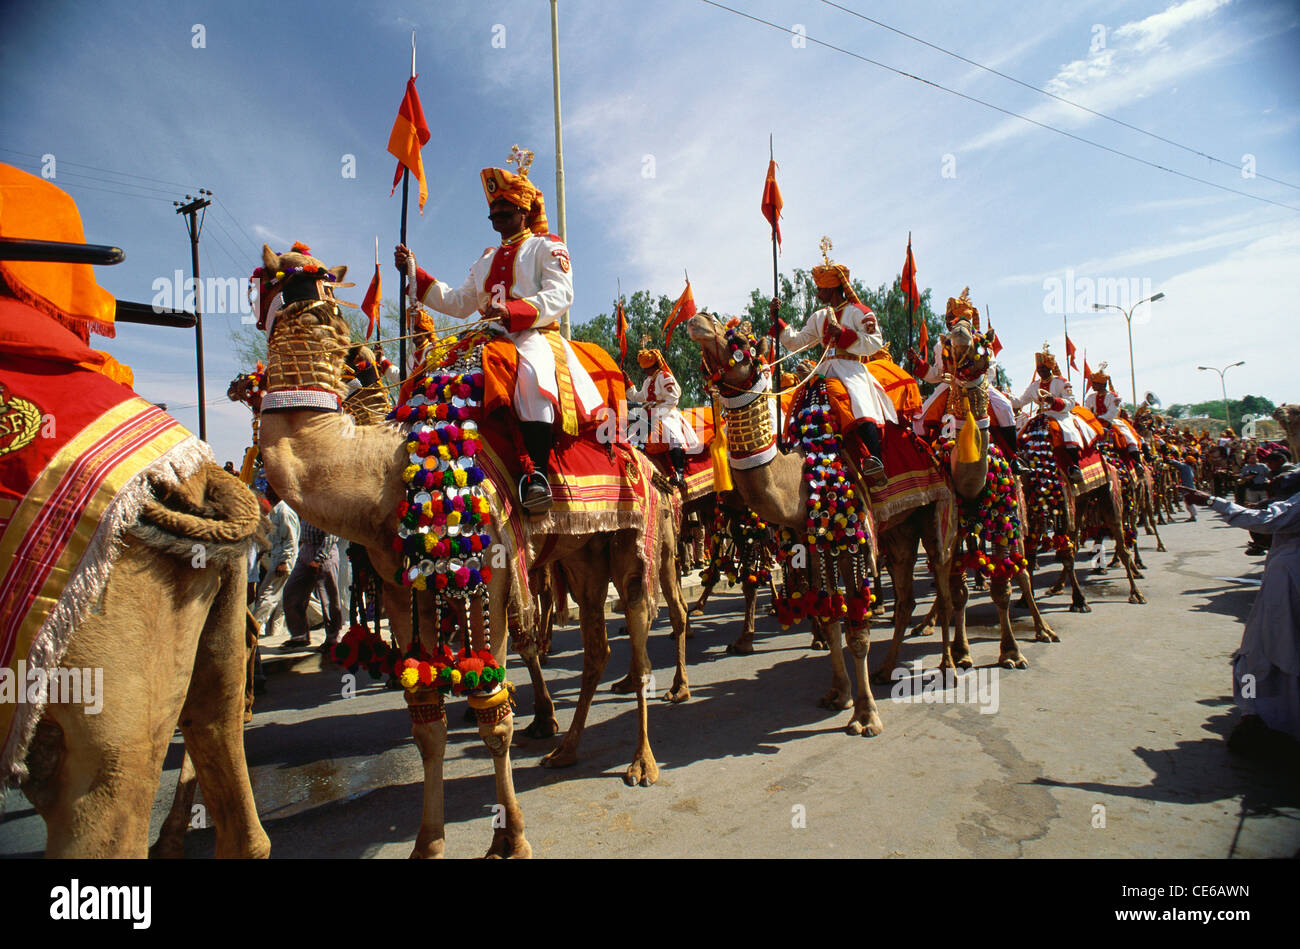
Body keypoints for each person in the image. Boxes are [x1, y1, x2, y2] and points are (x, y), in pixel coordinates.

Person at [394, 145, 603, 513]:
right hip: (486, 336)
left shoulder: (546, 247)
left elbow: (561, 294)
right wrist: (414, 271)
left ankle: (536, 473)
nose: (497, 218)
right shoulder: (486, 259)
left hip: (533, 333)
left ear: (523, 212)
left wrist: (512, 311)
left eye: (504, 211)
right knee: (435, 368)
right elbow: (458, 302)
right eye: (493, 213)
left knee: (532, 377)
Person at [1182, 484, 1300, 754]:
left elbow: (1266, 520)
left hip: (1281, 603)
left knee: (1251, 659)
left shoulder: (1287, 559)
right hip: (1281, 601)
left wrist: (1211, 501)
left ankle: (1251, 714)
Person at [770, 237, 896, 486]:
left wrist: (845, 335)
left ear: (833, 287)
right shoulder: (818, 317)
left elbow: (875, 342)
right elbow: (798, 342)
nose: (817, 293)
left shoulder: (859, 312)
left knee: (859, 403)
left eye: (821, 288)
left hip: (851, 368)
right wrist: (778, 320)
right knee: (799, 406)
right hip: (825, 368)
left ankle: (875, 459)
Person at [908, 287, 1018, 464]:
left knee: (1005, 407)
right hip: (949, 385)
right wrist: (918, 364)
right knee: (919, 419)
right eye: (947, 319)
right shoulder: (941, 344)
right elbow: (937, 374)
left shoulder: (982, 342)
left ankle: (1014, 457)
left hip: (978, 385)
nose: (948, 322)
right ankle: (921, 461)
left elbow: (990, 369)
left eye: (952, 318)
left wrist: (971, 379)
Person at [627, 336, 702, 485]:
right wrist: (627, 383)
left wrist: (657, 410)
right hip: (650, 413)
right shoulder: (648, 381)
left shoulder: (665, 376)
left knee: (672, 436)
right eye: (644, 369)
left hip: (667, 413)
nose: (645, 371)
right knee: (633, 430)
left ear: (654, 366)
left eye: (647, 368)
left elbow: (673, 398)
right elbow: (639, 396)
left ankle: (679, 474)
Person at [283, 518, 343, 650]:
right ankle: (299, 635)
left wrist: (319, 558)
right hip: (306, 549)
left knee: (327, 597)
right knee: (292, 592)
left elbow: (331, 533)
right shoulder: (306, 503)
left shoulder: (325, 503)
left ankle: (333, 638)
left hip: (323, 551)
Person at [251, 485, 299, 640]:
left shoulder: (284, 512)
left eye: (272, 491)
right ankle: (275, 634)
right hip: (275, 558)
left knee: (267, 596)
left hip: (282, 561)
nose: (269, 493)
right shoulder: (275, 511)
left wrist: (285, 561)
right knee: (279, 601)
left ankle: (253, 629)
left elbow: (291, 540)